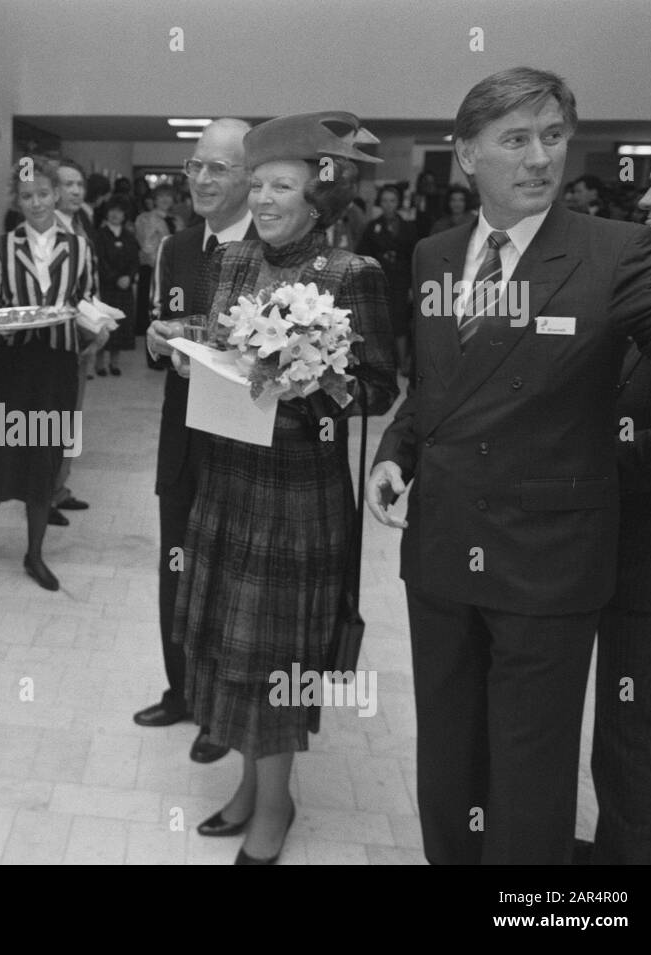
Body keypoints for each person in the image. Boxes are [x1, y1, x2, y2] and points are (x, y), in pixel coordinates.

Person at [367, 67, 651, 865]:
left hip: (548, 568)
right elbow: (432, 388)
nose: (540, 157)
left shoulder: (616, 252)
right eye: (515, 139)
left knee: (528, 781)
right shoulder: (435, 256)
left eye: (553, 137)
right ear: (467, 154)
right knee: (446, 768)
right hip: (440, 553)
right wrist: (395, 451)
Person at [171, 112, 398, 864]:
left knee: (274, 656)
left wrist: (314, 375)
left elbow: (376, 388)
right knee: (231, 651)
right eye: (259, 184)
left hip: (297, 495)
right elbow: (223, 343)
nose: (264, 199)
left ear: (317, 197)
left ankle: (275, 803)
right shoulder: (233, 261)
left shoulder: (349, 275)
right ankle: (250, 787)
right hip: (230, 476)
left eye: (282, 187)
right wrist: (192, 354)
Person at [139, 117, 255, 765]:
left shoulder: (273, 249)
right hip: (181, 435)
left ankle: (221, 708)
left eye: (219, 168)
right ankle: (180, 689)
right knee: (175, 565)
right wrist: (161, 341)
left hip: (242, 444)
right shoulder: (178, 249)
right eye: (195, 167)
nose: (203, 180)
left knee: (228, 579)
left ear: (250, 176)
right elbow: (163, 334)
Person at [588, 126, 651, 865]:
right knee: (630, 742)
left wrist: (614, 452)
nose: (650, 196)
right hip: (632, 554)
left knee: (641, 744)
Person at [0, 159, 98, 592]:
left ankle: (34, 554)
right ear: (17, 200)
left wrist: (97, 328)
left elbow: (89, 302)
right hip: (9, 368)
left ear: (56, 194)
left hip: (56, 368)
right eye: (27, 196)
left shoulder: (79, 248)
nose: (37, 202)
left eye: (44, 193)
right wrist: (0, 322)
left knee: (44, 460)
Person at [51, 158, 100, 521]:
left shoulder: (81, 222)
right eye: (67, 184)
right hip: (56, 339)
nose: (75, 191)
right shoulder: (44, 230)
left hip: (82, 333)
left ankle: (58, 486)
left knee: (71, 416)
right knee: (51, 418)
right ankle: (42, 494)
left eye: (79, 184)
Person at [358, 183, 418, 377]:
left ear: (398, 203)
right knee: (378, 322)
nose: (388, 204)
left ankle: (403, 364)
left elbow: (415, 257)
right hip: (379, 280)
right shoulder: (372, 227)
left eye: (392, 200)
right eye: (384, 200)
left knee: (400, 322)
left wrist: (413, 285)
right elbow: (363, 256)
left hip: (402, 280)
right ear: (380, 203)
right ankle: (381, 363)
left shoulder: (409, 227)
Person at [93, 199, 140, 376]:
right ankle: (99, 363)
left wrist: (129, 276)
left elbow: (135, 260)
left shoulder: (129, 236)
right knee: (104, 324)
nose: (115, 214)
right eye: (112, 210)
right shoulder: (100, 235)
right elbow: (100, 261)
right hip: (106, 288)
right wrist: (115, 279)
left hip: (125, 288)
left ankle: (114, 363)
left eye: (119, 211)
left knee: (120, 325)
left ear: (124, 215)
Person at [135, 185, 176, 351]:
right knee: (152, 309)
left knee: (174, 306)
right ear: (154, 199)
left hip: (172, 273)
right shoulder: (145, 218)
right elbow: (146, 246)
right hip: (152, 270)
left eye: (169, 196)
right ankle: (153, 350)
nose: (165, 200)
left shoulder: (177, 219)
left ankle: (172, 341)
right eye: (161, 196)